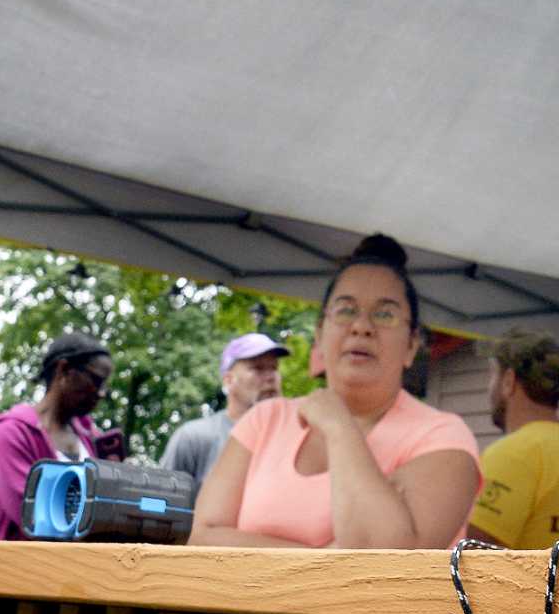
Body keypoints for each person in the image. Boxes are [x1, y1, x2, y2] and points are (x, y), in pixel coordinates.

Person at [191, 235, 479, 548]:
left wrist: (339, 428)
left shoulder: (441, 436)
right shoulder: (265, 419)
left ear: (411, 345)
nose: (362, 326)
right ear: (319, 333)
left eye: (385, 314)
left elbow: (383, 561)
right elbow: (203, 538)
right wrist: (325, 559)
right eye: (346, 310)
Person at [0, 331, 125, 540]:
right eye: (96, 381)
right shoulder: (12, 433)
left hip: (85, 559)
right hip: (27, 559)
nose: (101, 393)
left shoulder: (90, 437)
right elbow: (32, 516)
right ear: (64, 370)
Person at [467, 329, 559, 548]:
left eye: (493, 375)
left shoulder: (514, 453)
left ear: (508, 381)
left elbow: (472, 551)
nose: (489, 388)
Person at [159, 332, 290, 494]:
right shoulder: (195, 437)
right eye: (258, 368)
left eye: (274, 368)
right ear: (228, 380)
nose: (271, 377)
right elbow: (161, 502)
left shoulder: (295, 439)